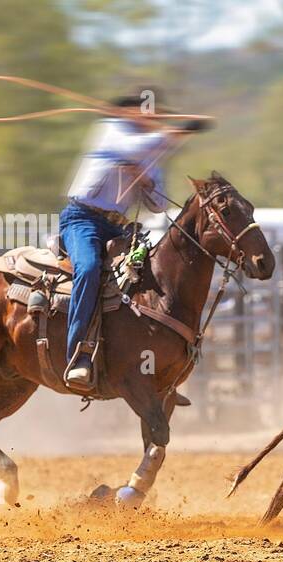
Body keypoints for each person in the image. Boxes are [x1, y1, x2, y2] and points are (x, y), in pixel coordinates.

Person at [61, 89, 209, 388]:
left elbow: (158, 204)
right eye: (147, 110)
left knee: (151, 275)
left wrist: (146, 179)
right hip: (83, 219)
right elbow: (131, 149)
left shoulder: (150, 152)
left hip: (119, 227)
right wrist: (179, 130)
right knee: (88, 269)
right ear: (129, 111)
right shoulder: (111, 130)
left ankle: (152, 365)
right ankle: (77, 353)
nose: (152, 117)